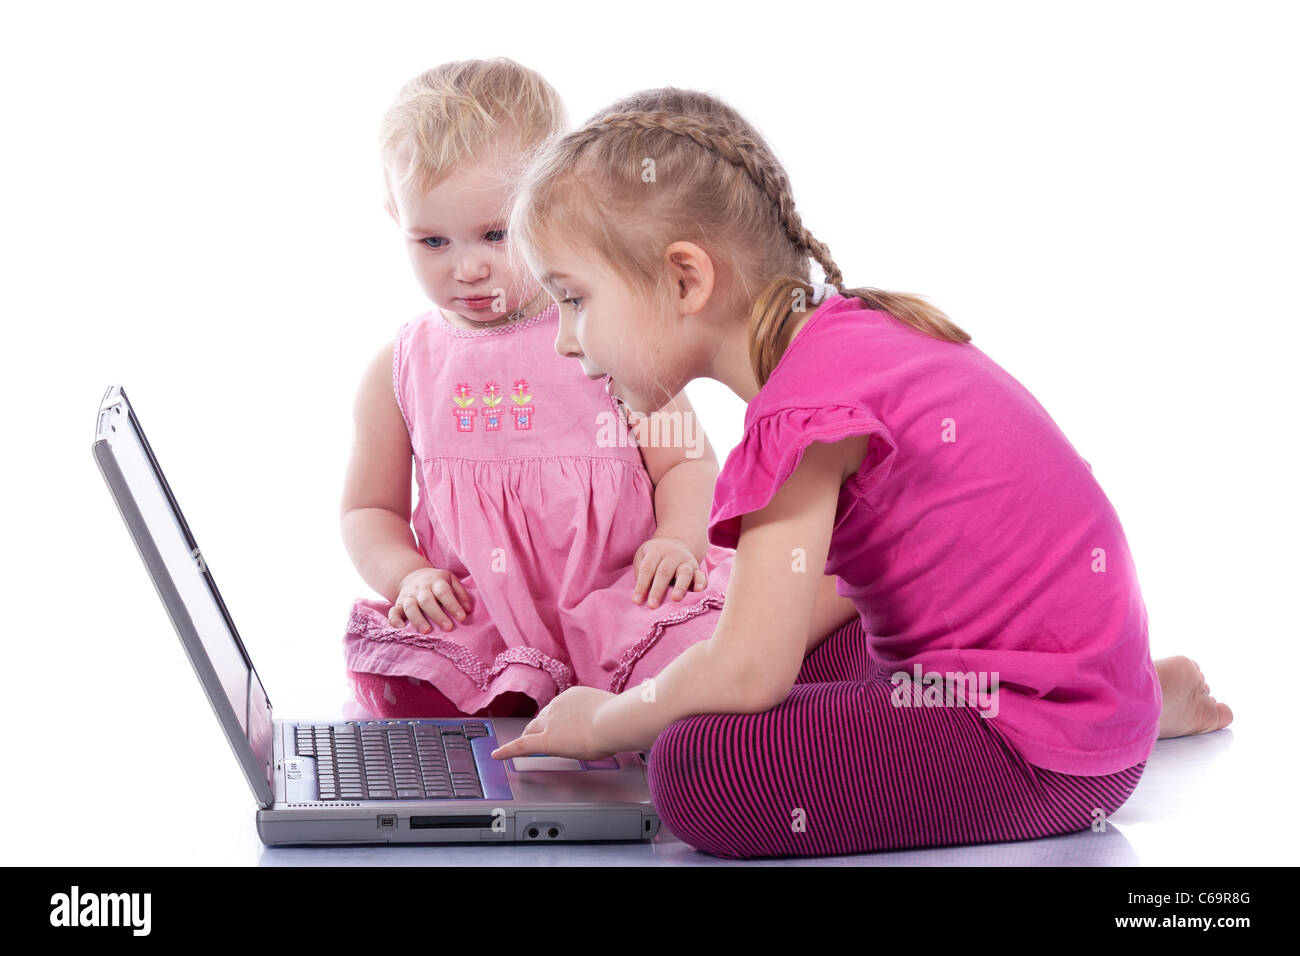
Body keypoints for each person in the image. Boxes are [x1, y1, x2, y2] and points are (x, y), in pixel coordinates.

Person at [490, 87, 1233, 859]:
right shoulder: (846, 336)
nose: (564, 345)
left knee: (693, 768)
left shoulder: (801, 414)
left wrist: (608, 718)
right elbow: (844, 587)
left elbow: (748, 674)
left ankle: (1121, 717)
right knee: (747, 654)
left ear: (686, 280)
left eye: (574, 300)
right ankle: (1137, 696)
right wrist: (687, 684)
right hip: (1051, 677)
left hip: (1034, 749)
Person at [339, 61, 735, 720]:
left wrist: (677, 539)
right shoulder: (402, 367)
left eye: (496, 234)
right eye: (432, 240)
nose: (467, 266)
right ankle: (512, 699)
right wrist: (407, 575)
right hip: (485, 617)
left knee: (702, 654)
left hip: (620, 598)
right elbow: (366, 512)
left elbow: (685, 460)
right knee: (404, 682)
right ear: (394, 218)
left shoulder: (604, 330)